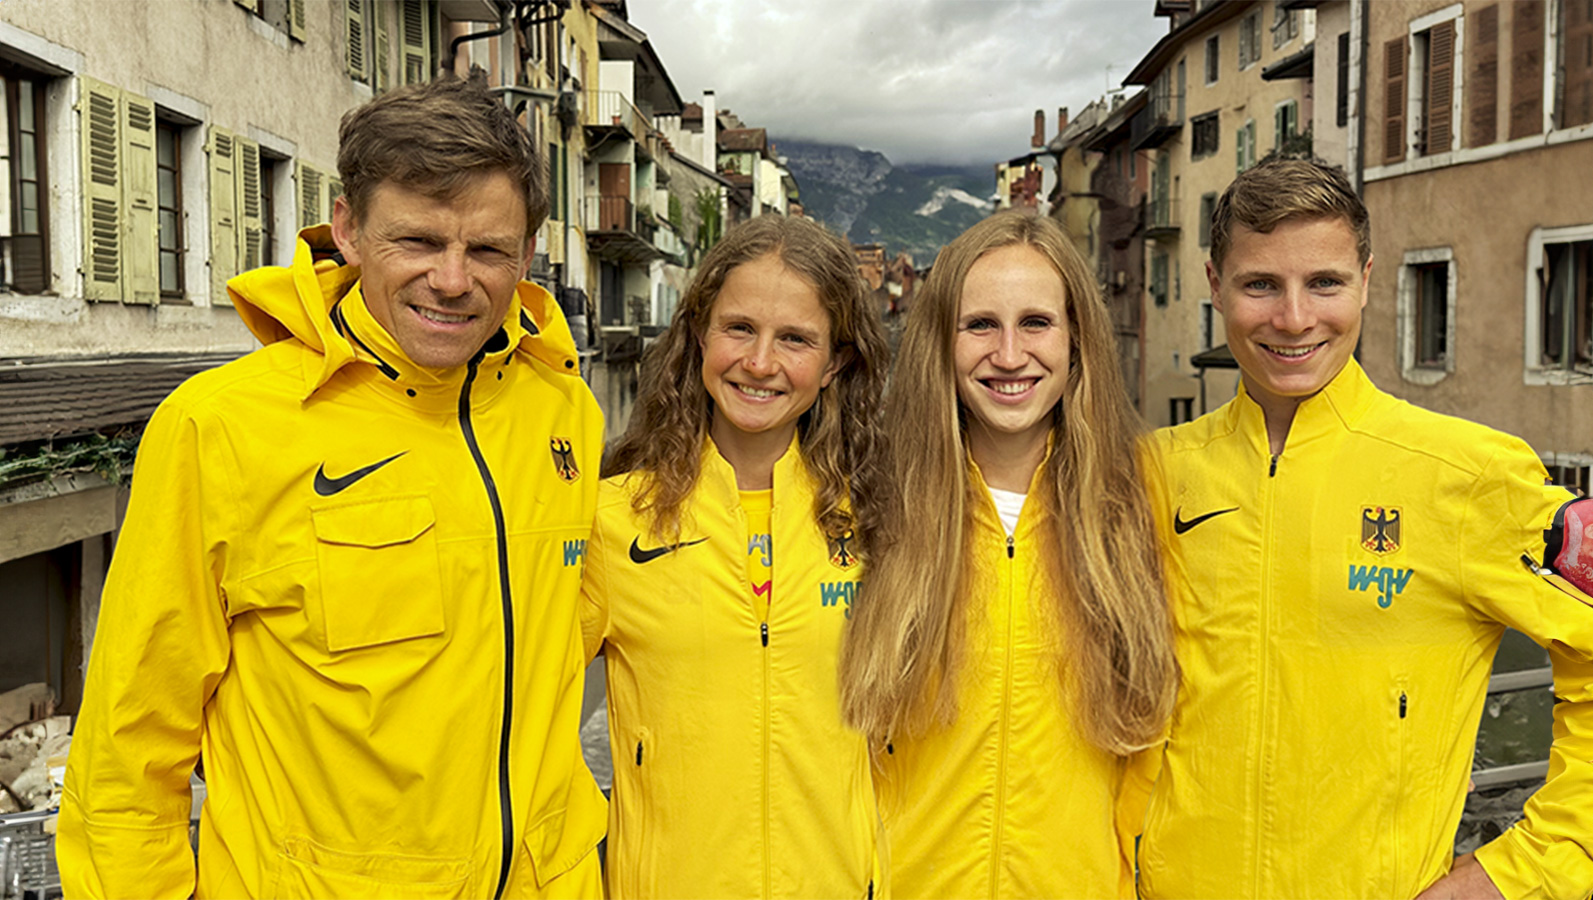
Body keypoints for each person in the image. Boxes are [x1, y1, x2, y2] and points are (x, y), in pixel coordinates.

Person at [56, 76, 606, 899]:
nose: (454, 281)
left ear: (527, 254)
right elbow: (127, 752)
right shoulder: (221, 428)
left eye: (489, 250)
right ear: (347, 230)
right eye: (417, 242)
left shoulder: (561, 407)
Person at [1136, 155, 1593, 899]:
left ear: (1367, 280)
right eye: (1261, 284)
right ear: (1215, 285)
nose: (1294, 318)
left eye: (1324, 282)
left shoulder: (1467, 473)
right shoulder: (1148, 473)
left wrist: (1526, 871)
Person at [838, 211, 1178, 898]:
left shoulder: (1143, 508)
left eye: (1036, 323)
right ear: (941, 341)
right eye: (980, 325)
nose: (1011, 354)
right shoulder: (869, 507)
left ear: (1077, 340)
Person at [580, 215, 889, 898]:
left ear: (835, 361)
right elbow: (522, 718)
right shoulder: (612, 520)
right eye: (739, 328)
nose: (759, 363)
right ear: (698, 336)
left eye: (796, 339)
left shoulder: (879, 521)